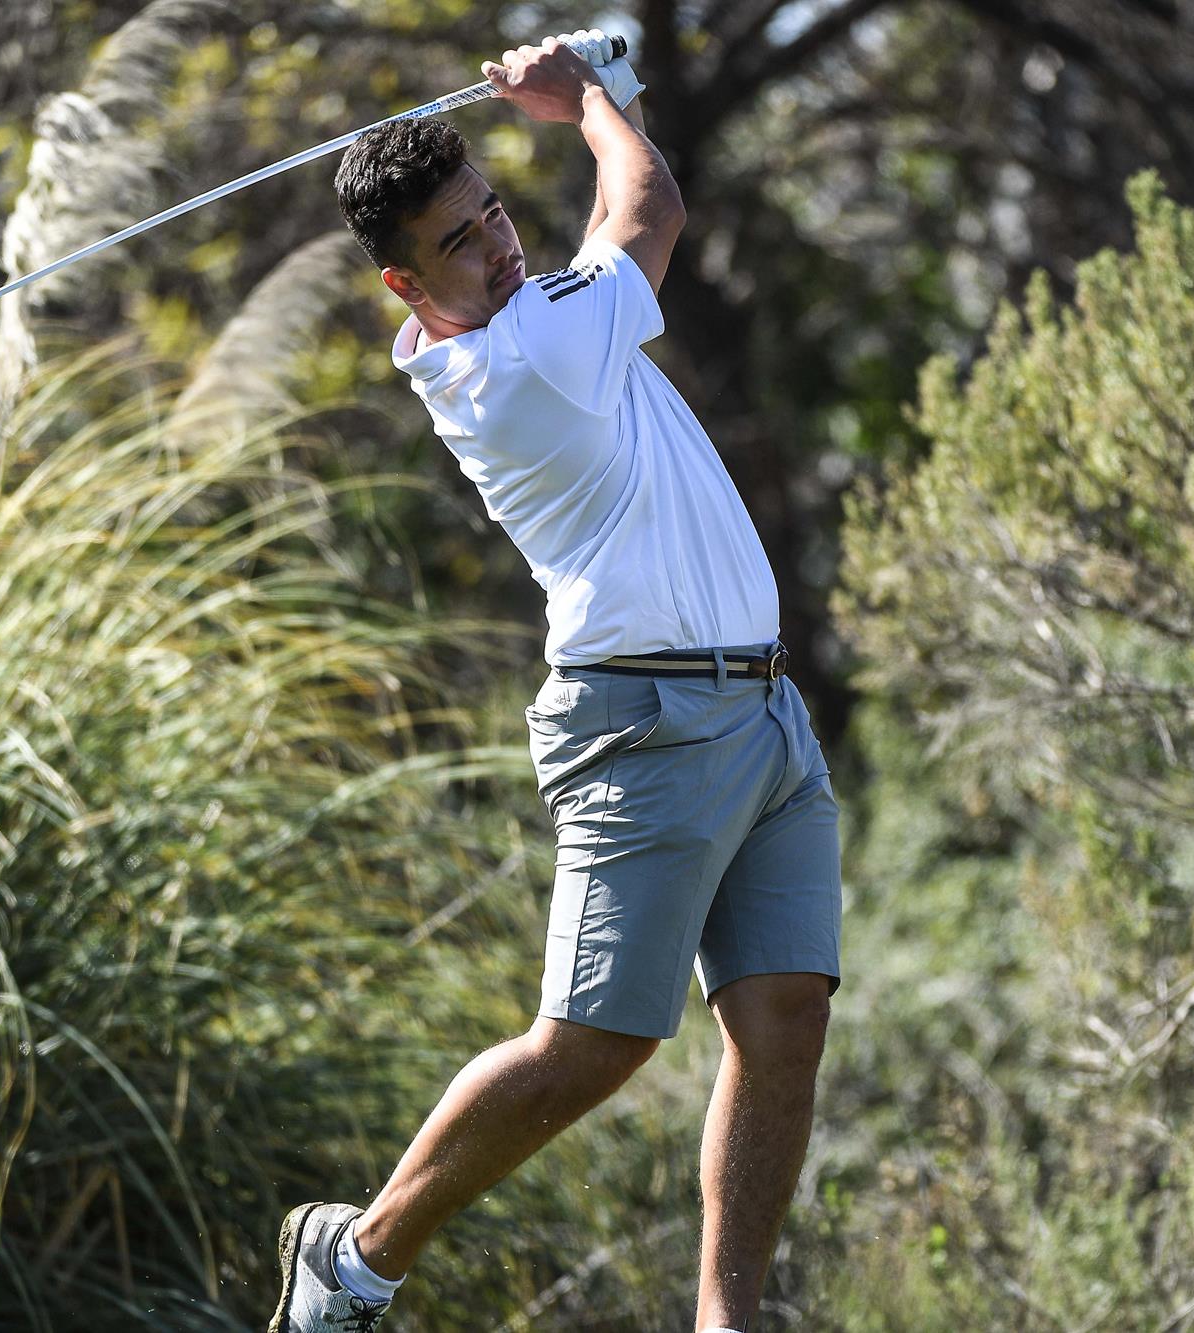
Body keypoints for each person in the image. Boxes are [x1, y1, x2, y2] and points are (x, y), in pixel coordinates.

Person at [269, 31, 842, 1333]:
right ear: (408, 286)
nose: (500, 244)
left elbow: (615, 214)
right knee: (595, 1041)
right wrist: (587, 96)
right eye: (463, 242)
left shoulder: (544, 317)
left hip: (760, 711)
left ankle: (726, 1318)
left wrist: (603, 92)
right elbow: (650, 204)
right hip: (643, 722)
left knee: (786, 1012)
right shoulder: (517, 356)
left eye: (496, 210)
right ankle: (352, 1264)